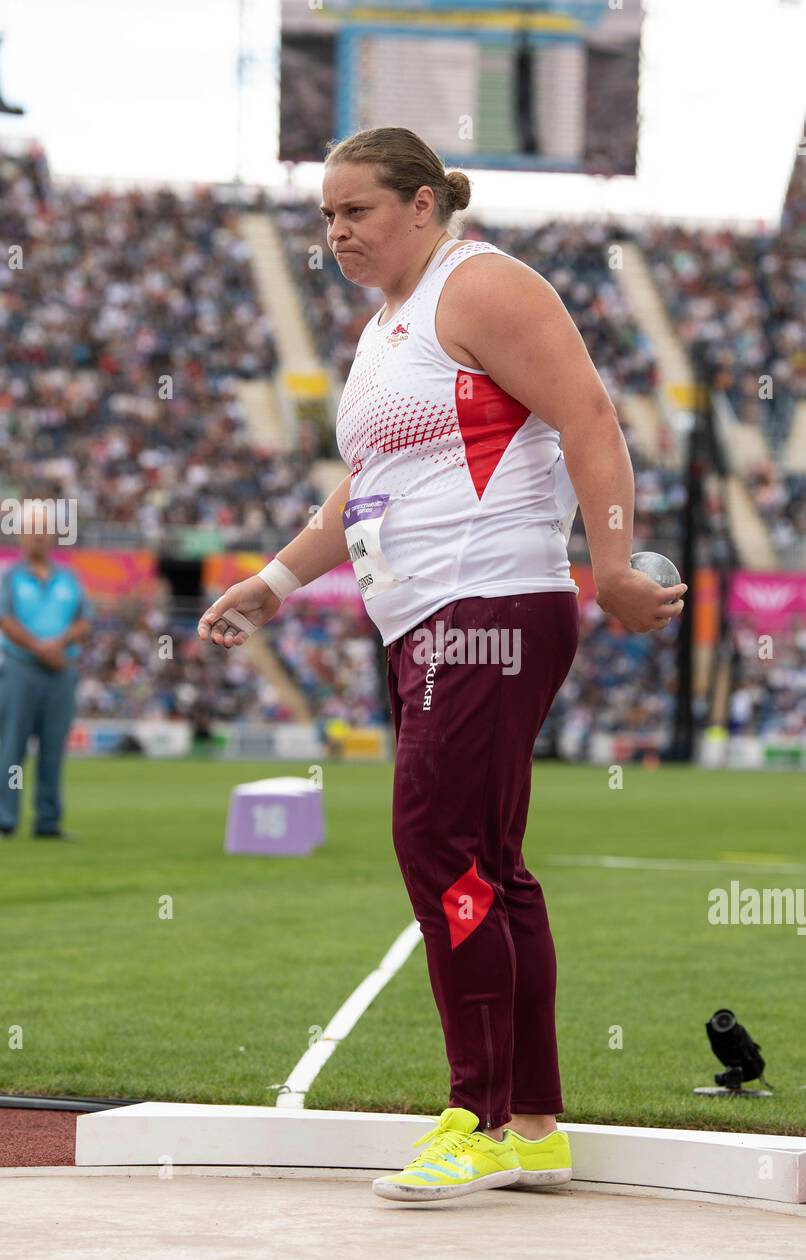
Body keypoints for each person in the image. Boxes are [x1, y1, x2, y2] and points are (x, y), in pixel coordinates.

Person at [198, 126, 686, 1203]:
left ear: (423, 204)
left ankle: (476, 1112)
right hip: (418, 616)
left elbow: (589, 415)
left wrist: (608, 561)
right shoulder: (383, 335)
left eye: (356, 209)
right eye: (325, 215)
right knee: (490, 866)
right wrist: (274, 579)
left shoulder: (481, 285)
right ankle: (532, 1125)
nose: (335, 232)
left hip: (491, 602)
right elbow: (362, 489)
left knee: (436, 838)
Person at [0, 512, 93, 838]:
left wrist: (60, 644)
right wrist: (43, 649)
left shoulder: (69, 579)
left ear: (53, 537)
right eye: (31, 531)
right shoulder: (9, 577)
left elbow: (84, 622)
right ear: (21, 536)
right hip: (19, 670)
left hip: (61, 674)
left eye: (43, 532)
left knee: (54, 749)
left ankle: (48, 821)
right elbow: (5, 621)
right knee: (11, 747)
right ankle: (5, 818)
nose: (38, 537)